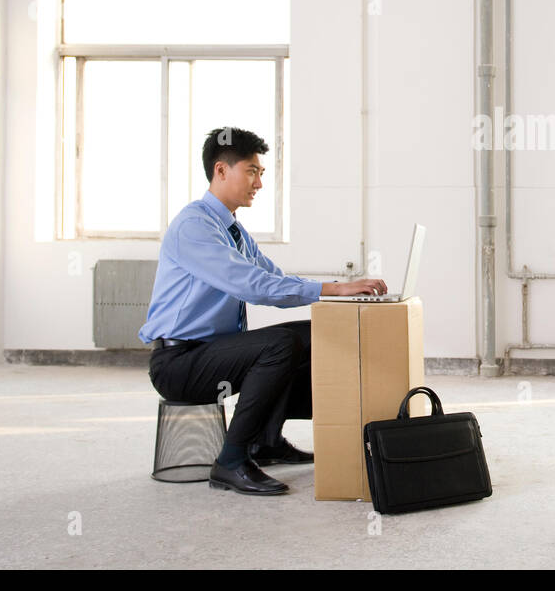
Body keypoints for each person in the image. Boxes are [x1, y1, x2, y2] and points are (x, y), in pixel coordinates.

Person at [139, 126, 386, 496]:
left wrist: (340, 291)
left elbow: (273, 278)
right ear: (221, 170)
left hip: (211, 353)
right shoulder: (195, 226)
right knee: (280, 345)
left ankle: (265, 441)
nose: (259, 183)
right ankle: (230, 462)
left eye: (261, 173)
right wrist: (334, 289)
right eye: (252, 172)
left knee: (313, 333)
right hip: (179, 363)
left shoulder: (234, 230)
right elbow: (252, 286)